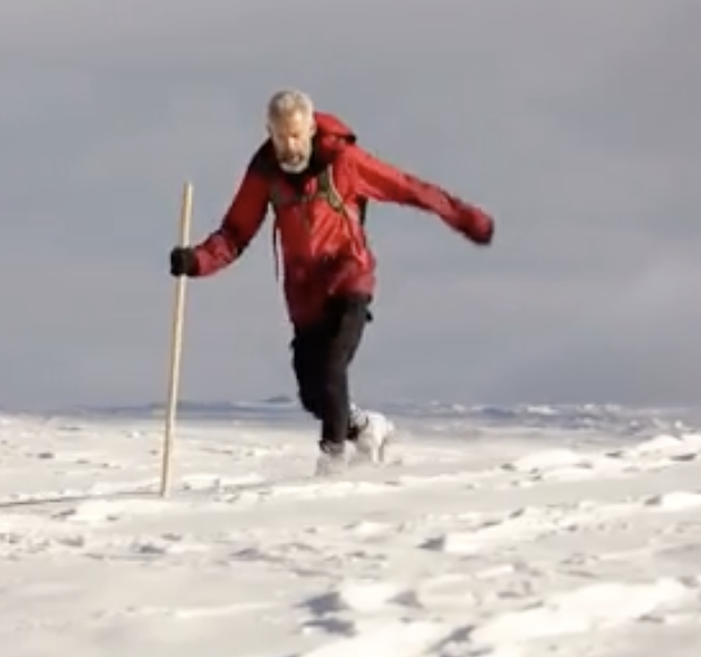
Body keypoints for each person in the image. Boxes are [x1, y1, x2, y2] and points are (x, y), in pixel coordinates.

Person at [168, 88, 494, 475]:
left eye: (295, 135)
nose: (289, 146)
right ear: (269, 132)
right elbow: (235, 233)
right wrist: (196, 260)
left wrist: (465, 218)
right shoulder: (265, 172)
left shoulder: (343, 161)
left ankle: (332, 460)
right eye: (280, 136)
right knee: (312, 392)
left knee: (331, 366)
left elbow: (407, 187)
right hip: (304, 294)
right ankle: (365, 426)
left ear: (310, 129)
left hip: (348, 277)